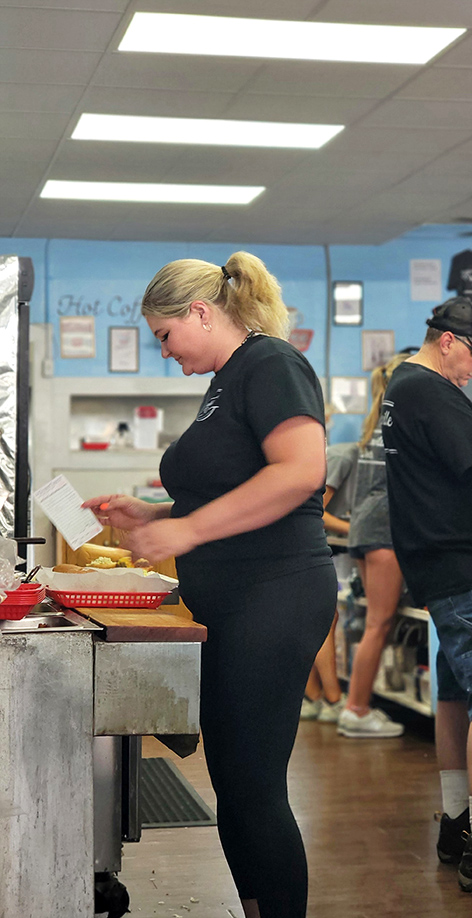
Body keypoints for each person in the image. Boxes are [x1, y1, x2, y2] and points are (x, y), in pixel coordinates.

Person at [84, 251, 337, 918]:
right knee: (233, 783)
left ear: (200, 311)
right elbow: (231, 488)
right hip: (233, 601)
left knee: (254, 786)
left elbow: (299, 473)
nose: (166, 351)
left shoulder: (271, 362)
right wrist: (156, 515)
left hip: (275, 593)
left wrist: (188, 532)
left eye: (166, 335)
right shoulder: (229, 380)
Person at [381, 297, 472, 895]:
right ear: (446, 341)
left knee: (456, 691)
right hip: (464, 564)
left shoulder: (402, 387)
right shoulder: (428, 389)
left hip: (438, 562)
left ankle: (458, 821)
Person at [336, 353, 410, 739]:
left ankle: (357, 705)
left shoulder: (375, 426)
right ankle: (357, 709)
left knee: (374, 622)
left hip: (364, 528)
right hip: (383, 530)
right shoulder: (401, 426)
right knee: (378, 624)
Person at [300, 438, 358, 723]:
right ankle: (332, 698)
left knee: (314, 617)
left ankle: (313, 697)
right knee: (324, 617)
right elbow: (317, 510)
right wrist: (355, 528)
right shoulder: (345, 456)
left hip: (307, 543)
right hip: (303, 542)